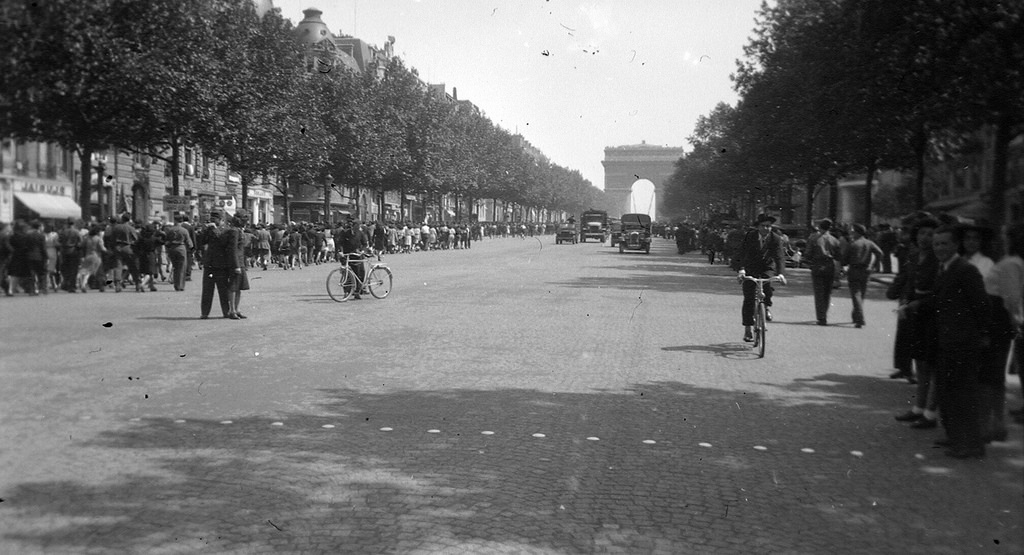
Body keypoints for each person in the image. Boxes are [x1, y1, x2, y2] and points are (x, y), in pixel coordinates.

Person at [925, 225, 990, 459]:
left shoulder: (966, 270)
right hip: (947, 341)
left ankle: (971, 444)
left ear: (955, 245)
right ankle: (955, 437)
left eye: (944, 243)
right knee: (947, 392)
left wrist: (979, 336)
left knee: (963, 395)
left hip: (963, 343)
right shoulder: (945, 269)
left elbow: (982, 306)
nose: (939, 248)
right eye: (936, 244)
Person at [893, 217, 941, 428]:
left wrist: (918, 303)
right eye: (921, 233)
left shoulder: (939, 258)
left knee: (931, 365)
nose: (925, 238)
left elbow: (941, 292)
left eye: (930, 234)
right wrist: (904, 299)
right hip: (914, 314)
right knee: (919, 363)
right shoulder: (913, 256)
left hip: (932, 315)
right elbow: (909, 283)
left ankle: (931, 413)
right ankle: (918, 407)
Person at [732, 214, 786, 342]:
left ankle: (766, 306)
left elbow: (779, 257)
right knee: (749, 299)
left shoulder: (775, 238)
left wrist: (781, 274)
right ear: (758, 227)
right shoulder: (750, 236)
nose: (766, 228)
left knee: (768, 286)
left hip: (767, 268)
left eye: (769, 226)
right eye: (763, 226)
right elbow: (742, 253)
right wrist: (741, 270)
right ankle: (747, 329)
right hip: (751, 268)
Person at [196, 209, 240, 319]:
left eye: (214, 219)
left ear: (221, 220)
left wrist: (215, 230)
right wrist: (203, 231)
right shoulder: (208, 230)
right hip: (209, 264)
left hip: (221, 265)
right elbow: (201, 242)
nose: (212, 221)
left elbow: (223, 242)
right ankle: (204, 312)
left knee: (223, 290)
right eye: (211, 219)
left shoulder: (227, 230)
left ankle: (226, 311)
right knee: (207, 290)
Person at [843, 223, 883, 328]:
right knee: (861, 294)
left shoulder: (853, 244)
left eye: (853, 231)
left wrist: (844, 265)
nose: (852, 233)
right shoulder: (869, 243)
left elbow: (844, 260)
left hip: (854, 270)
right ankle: (855, 316)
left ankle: (860, 319)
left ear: (857, 232)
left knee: (856, 294)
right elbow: (880, 253)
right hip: (866, 271)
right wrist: (873, 265)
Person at [805, 218, 842, 325]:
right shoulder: (835, 240)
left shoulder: (813, 238)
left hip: (817, 265)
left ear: (820, 227)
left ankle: (821, 317)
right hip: (830, 266)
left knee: (819, 293)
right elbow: (838, 256)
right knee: (827, 293)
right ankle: (824, 313)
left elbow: (808, 253)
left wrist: (809, 263)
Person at [338, 218, 368, 299]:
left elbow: (365, 244)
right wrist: (340, 251)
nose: (357, 227)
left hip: (357, 256)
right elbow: (340, 243)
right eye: (356, 225)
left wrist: (362, 251)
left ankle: (357, 291)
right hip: (347, 256)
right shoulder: (345, 233)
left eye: (359, 225)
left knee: (360, 274)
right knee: (347, 275)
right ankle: (347, 291)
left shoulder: (360, 233)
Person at [229, 210, 250, 319]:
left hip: (240, 262)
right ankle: (232, 310)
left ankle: (237, 309)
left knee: (239, 288)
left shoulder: (238, 230)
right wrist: (236, 265)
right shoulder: (235, 231)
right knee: (233, 287)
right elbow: (233, 249)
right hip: (236, 263)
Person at [164, 214, 193, 291]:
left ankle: (176, 285)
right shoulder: (184, 230)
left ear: (175, 220)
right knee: (182, 268)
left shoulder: (170, 230)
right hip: (181, 248)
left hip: (172, 249)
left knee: (175, 267)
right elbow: (189, 242)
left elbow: (166, 240)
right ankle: (180, 286)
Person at [78, 224, 107, 292]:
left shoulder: (87, 238)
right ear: (98, 232)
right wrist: (108, 251)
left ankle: (83, 284)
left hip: (87, 256)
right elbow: (102, 248)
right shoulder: (98, 239)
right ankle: (101, 286)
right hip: (96, 257)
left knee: (86, 271)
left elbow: (81, 245)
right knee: (98, 272)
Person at [57, 218, 83, 293]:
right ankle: (72, 286)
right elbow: (81, 242)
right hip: (74, 251)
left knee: (65, 268)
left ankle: (66, 283)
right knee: (73, 269)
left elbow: (59, 241)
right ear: (74, 223)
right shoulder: (77, 232)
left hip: (64, 251)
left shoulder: (62, 232)